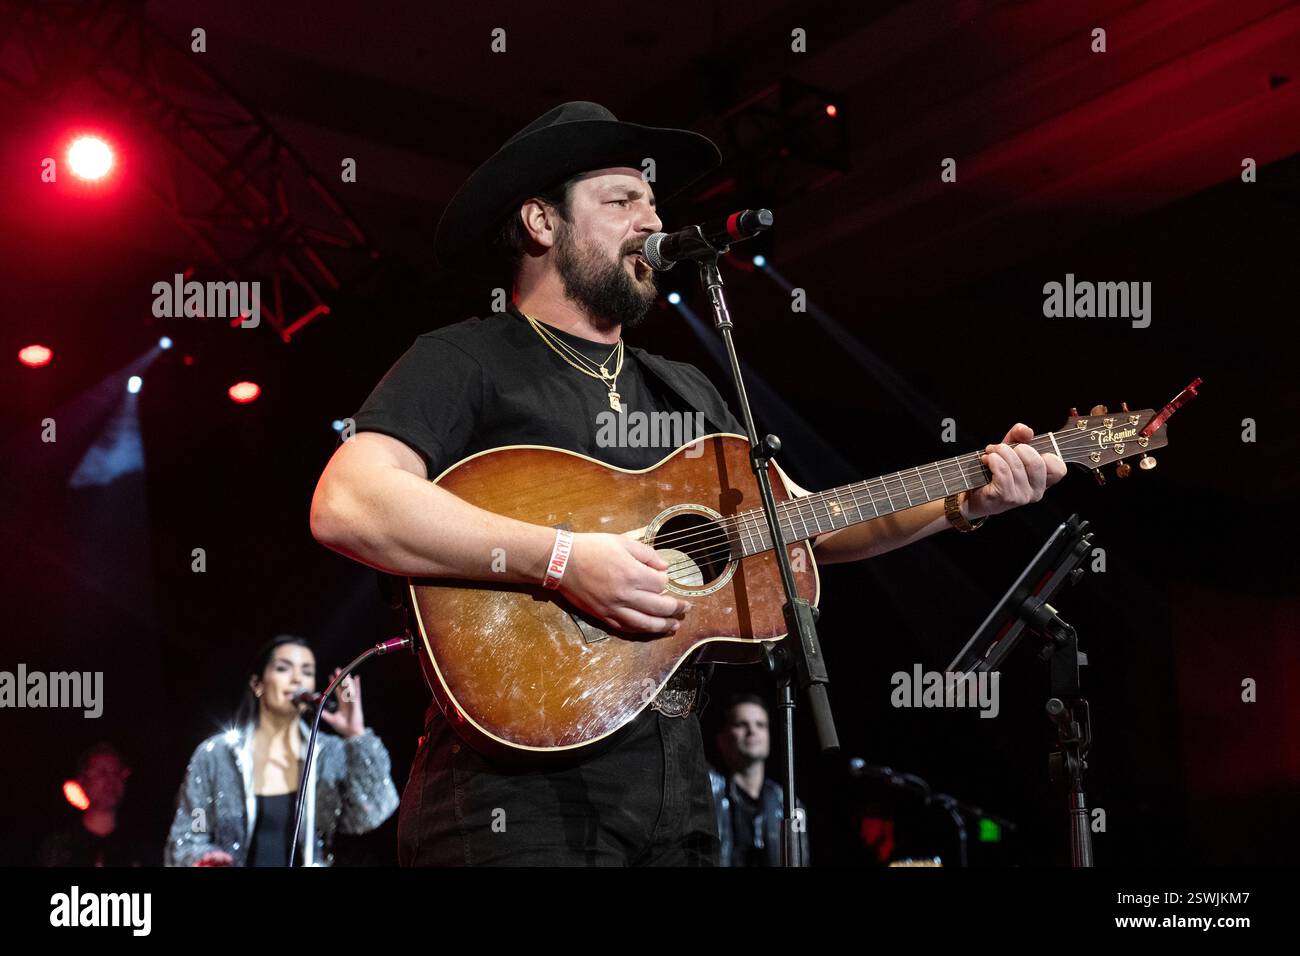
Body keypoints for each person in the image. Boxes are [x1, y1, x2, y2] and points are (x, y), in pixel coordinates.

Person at [309, 101, 1066, 866]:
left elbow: (804, 520)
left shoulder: (684, 390)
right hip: (511, 798)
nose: (651, 219)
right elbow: (349, 503)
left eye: (654, 202)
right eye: (622, 201)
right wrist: (564, 558)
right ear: (541, 223)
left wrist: (967, 498)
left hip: (675, 788)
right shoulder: (465, 360)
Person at [164, 634, 399, 866]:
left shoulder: (330, 754)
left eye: (307, 672)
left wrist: (356, 734)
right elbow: (192, 833)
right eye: (284, 668)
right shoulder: (215, 757)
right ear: (257, 684)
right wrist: (202, 856)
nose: (297, 679)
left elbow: (371, 813)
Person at [708, 694, 809, 867]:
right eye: (741, 724)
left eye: (760, 725)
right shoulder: (707, 793)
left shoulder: (789, 804)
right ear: (722, 739)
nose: (752, 731)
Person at [39, 742, 147, 866]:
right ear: (83, 781)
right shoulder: (58, 848)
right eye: (102, 772)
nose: (111, 780)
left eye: (117, 772)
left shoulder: (139, 850)